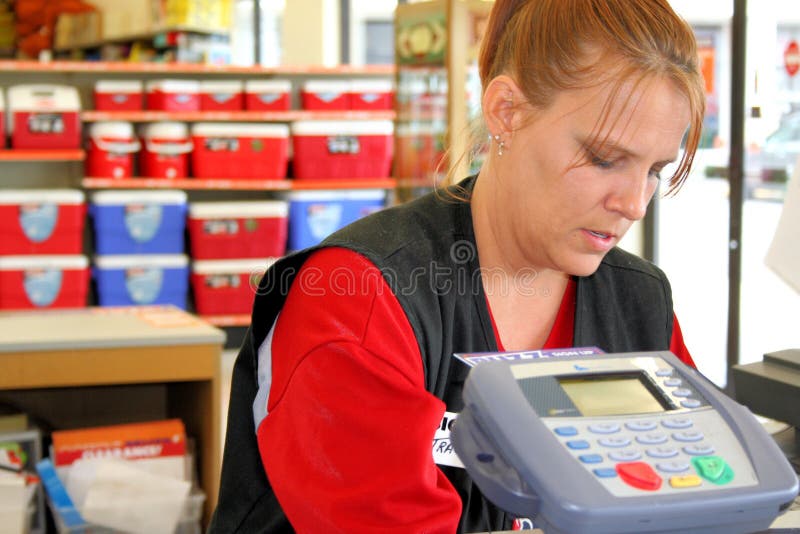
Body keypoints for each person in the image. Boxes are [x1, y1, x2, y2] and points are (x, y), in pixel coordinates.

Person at [210, 0, 706, 532]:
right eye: (605, 158)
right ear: (506, 112)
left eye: (655, 170)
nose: (634, 203)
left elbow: (694, 493)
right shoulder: (357, 299)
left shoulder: (640, 303)